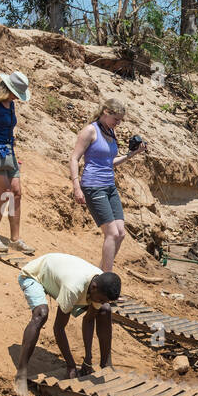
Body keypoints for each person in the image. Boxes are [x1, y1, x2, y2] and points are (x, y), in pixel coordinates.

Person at [14, 252, 121, 396]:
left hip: (59, 281)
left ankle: (105, 364)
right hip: (35, 276)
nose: (100, 302)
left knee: (105, 310)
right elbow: (58, 328)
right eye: (101, 299)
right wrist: (70, 364)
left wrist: (88, 359)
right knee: (41, 314)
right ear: (94, 288)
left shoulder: (100, 283)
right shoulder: (73, 287)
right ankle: (21, 374)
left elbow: (89, 320)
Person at [70, 98, 148, 273]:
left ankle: (100, 274)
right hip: (93, 185)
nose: (118, 123)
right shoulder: (91, 130)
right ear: (106, 112)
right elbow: (74, 158)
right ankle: (107, 278)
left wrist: (132, 154)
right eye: (116, 119)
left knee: (120, 233)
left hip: (109, 186)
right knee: (111, 233)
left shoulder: (110, 132)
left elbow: (109, 162)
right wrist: (76, 186)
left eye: (120, 120)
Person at [0, 71, 34, 255]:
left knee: (16, 193)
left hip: (9, 152)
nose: (17, 97)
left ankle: (15, 239)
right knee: (5, 193)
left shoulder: (10, 105)